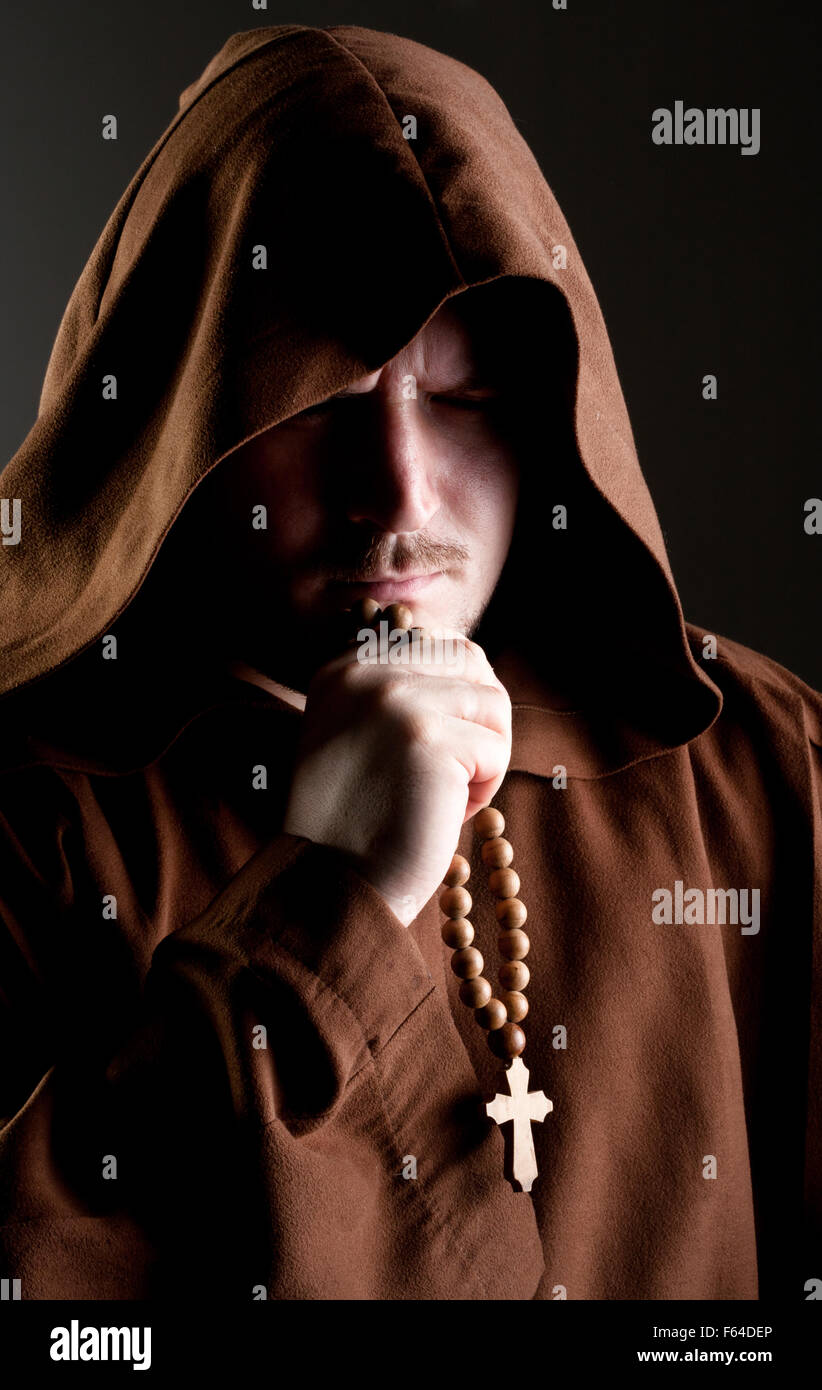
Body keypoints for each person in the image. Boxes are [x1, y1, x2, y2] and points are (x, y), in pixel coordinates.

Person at [0, 23, 819, 1302]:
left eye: (467, 399)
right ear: (188, 408)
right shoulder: (29, 826)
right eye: (322, 398)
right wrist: (326, 903)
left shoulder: (770, 780)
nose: (399, 490)